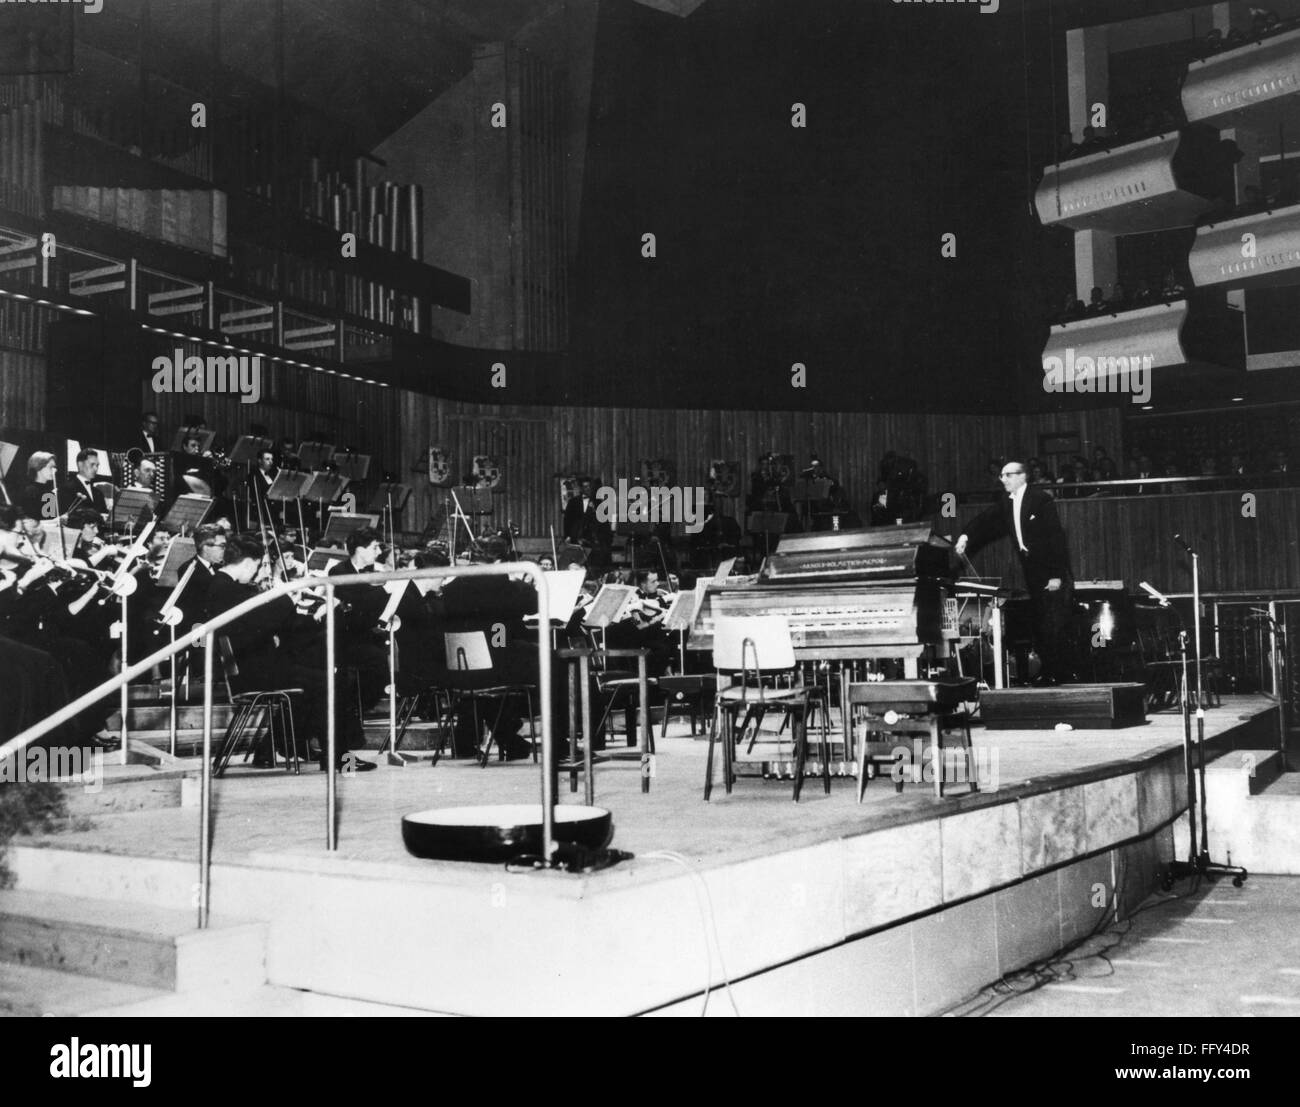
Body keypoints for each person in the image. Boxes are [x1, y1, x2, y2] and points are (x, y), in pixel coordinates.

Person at [955, 460, 1074, 685]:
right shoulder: (1006, 502)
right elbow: (984, 519)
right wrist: (965, 536)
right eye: (1001, 475)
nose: (1003, 479)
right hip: (1033, 573)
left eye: (1008, 475)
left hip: (1052, 572)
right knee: (1040, 625)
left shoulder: (1041, 499)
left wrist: (1056, 575)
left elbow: (1055, 538)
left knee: (1054, 626)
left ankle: (1059, 676)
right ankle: (1048, 674)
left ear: (1022, 476)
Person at [60, 449, 110, 525]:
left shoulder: (98, 493)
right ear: (80, 465)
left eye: (97, 465)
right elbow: (68, 517)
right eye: (92, 465)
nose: (96, 469)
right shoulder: (67, 489)